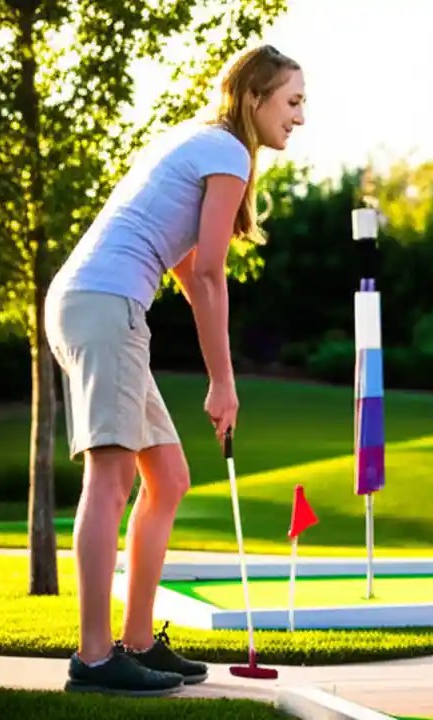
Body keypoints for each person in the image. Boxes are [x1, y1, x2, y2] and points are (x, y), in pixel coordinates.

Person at [45, 44, 305, 695]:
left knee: (168, 477)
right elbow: (213, 273)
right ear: (255, 98)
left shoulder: (205, 144)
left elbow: (189, 268)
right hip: (106, 305)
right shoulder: (228, 153)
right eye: (292, 101)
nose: (301, 117)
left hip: (104, 305)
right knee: (111, 479)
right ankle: (96, 657)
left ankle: (135, 642)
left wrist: (219, 374)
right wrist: (223, 381)